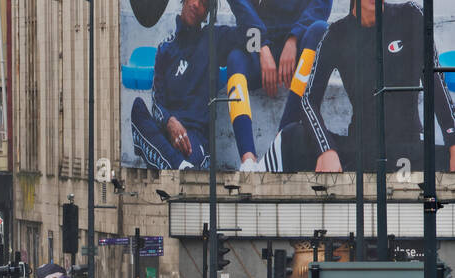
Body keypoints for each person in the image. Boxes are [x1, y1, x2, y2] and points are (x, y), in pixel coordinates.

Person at [257, 0, 455, 174]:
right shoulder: (336, 34)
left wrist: (453, 142)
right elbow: (308, 100)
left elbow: (435, 83)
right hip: (361, 151)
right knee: (293, 135)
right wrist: (325, 149)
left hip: (407, 149)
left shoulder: (410, 15)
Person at [223, 0, 330, 168]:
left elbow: (321, 6)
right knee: (235, 58)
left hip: (298, 43)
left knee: (320, 28)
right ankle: (248, 159)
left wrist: (293, 38)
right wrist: (262, 47)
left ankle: (279, 145)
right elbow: (242, 8)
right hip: (259, 43)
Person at [129, 0, 220, 169]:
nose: (196, 4)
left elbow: (246, 32)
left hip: (195, 138)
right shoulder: (165, 49)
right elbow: (157, 101)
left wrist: (264, 47)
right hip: (166, 135)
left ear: (207, 13)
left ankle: (179, 165)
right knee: (138, 108)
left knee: (192, 162)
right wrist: (170, 122)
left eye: (203, 3)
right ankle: (179, 165)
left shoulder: (213, 40)